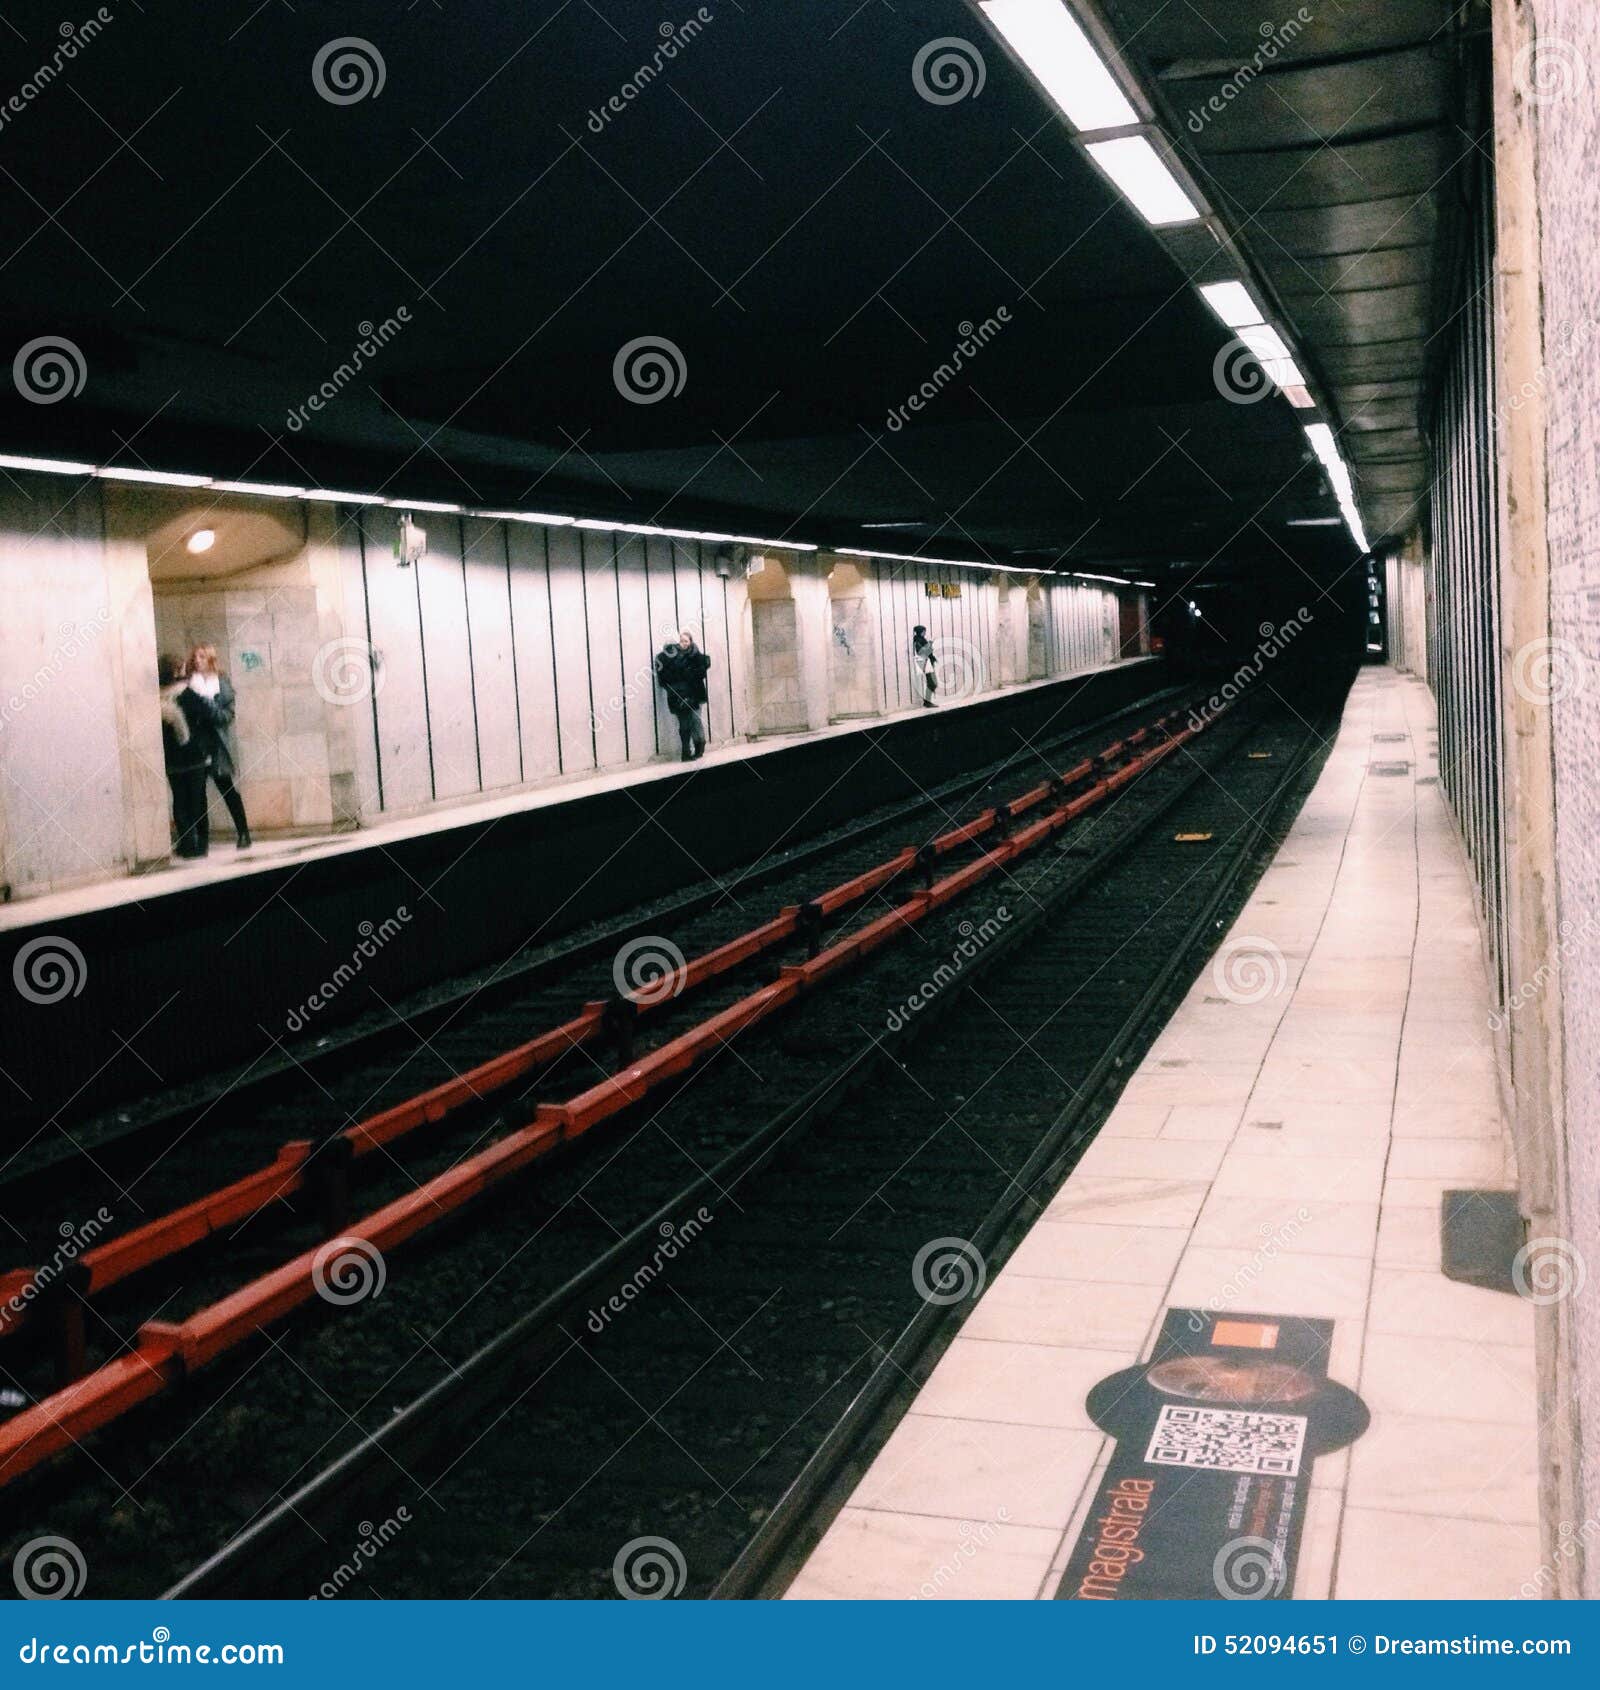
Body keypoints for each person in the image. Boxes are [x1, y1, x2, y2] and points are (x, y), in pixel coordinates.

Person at [186, 644, 252, 847]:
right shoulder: (190, 685)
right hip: (196, 744)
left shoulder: (222, 685)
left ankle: (243, 832)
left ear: (211, 659)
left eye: (202, 656)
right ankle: (202, 839)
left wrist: (208, 708)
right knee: (197, 794)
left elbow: (227, 715)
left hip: (216, 744)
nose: (198, 660)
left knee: (227, 789)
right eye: (195, 657)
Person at [159, 654, 211, 858]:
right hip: (194, 756)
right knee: (197, 801)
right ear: (175, 672)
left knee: (180, 802)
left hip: (172, 759)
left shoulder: (157, 698)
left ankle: (187, 843)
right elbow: (207, 713)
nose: (185, 670)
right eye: (181, 668)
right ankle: (202, 843)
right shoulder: (187, 693)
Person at [654, 628, 712, 762]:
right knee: (687, 722)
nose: (683, 643)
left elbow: (703, 667)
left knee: (695, 720)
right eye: (681, 641)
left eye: (686, 641)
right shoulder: (675, 658)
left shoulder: (695, 654)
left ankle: (699, 745)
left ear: (691, 642)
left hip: (695, 694)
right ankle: (692, 749)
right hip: (683, 694)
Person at [912, 624, 937, 707]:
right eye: (924, 631)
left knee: (932, 682)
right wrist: (930, 643)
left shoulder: (920, 639)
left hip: (926, 662)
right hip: (924, 663)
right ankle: (927, 702)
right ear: (920, 632)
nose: (925, 633)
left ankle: (927, 701)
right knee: (932, 683)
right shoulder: (918, 640)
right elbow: (922, 652)